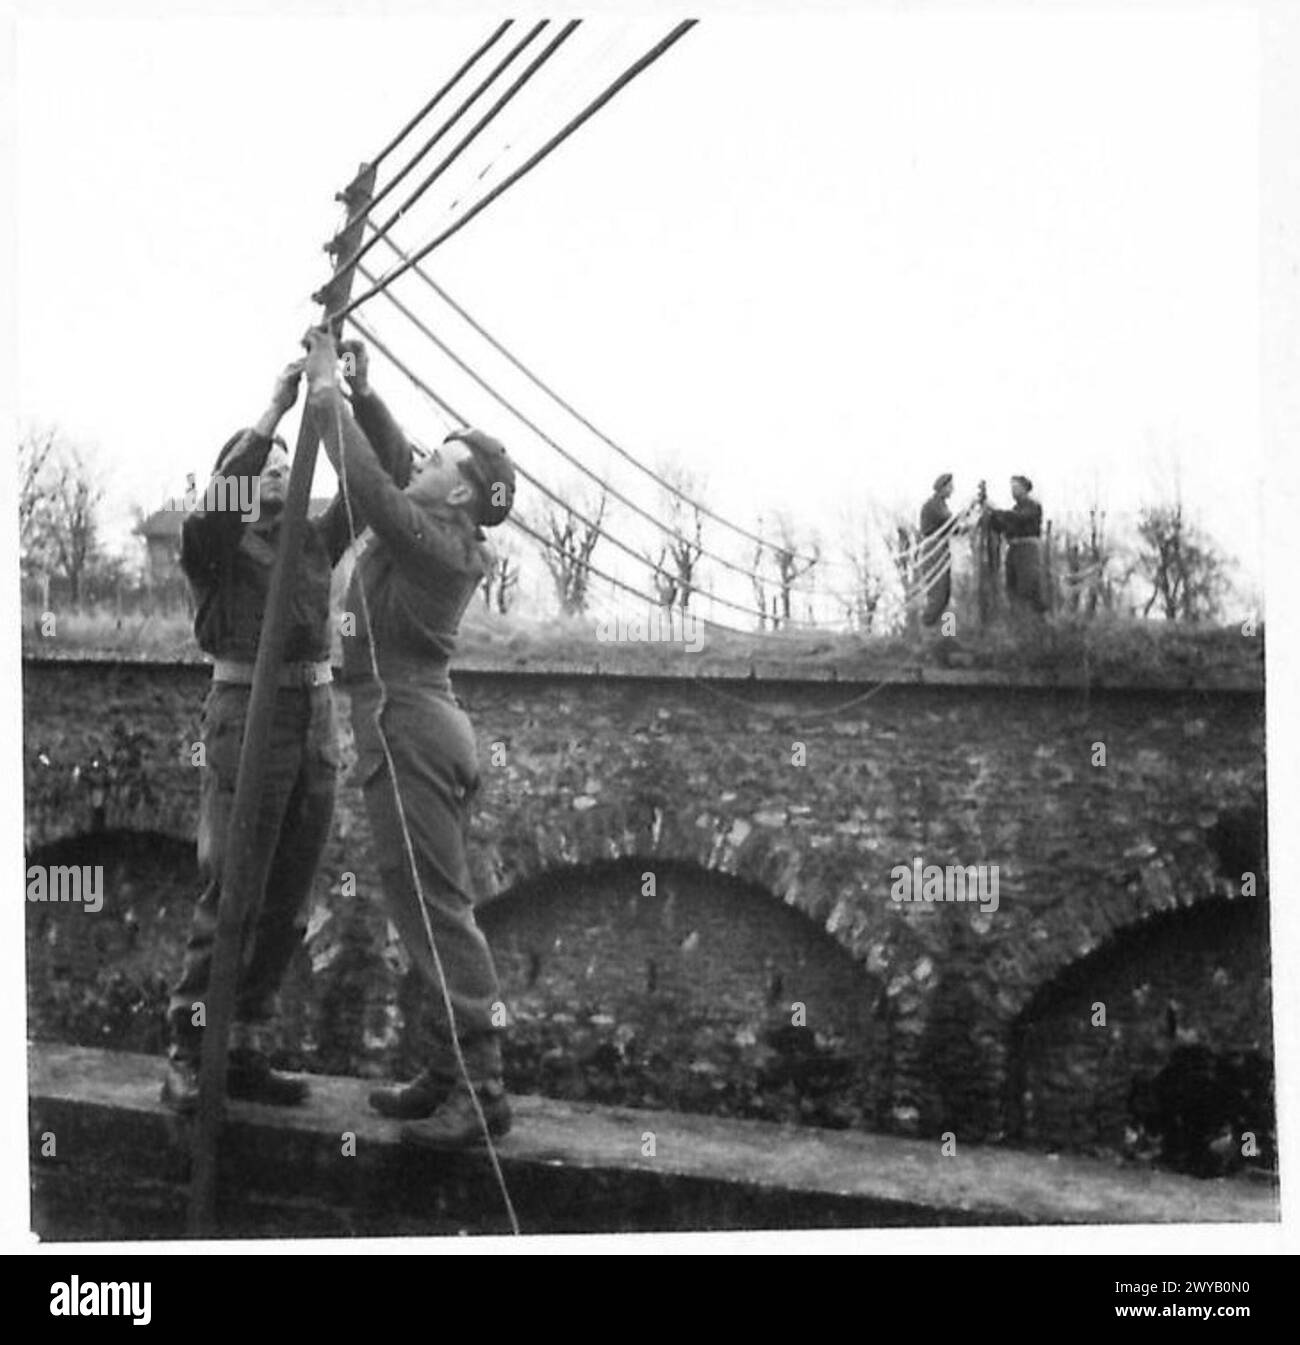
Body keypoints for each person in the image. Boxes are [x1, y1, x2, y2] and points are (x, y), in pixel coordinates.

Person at [304, 329, 516, 1147]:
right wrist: (364, 392)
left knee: (437, 912)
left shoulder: (429, 541)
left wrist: (326, 394)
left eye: (442, 460)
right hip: (421, 724)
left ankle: (483, 1087)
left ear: (461, 496)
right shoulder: (439, 528)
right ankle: (445, 1070)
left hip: (409, 731)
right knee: (427, 908)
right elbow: (396, 468)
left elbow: (368, 477)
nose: (424, 461)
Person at [161, 358, 376, 1112]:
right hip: (246, 714)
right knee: (234, 892)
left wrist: (351, 401)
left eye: (289, 464)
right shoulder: (213, 547)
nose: (283, 471)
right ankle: (189, 1050)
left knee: (288, 896)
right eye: (268, 467)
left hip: (317, 719)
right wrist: (274, 414)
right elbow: (217, 506)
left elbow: (377, 484)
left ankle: (244, 1043)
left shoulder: (311, 542)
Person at [986, 474, 1047, 616]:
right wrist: (991, 516)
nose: (1013, 491)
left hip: (1027, 550)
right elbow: (1003, 525)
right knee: (1012, 587)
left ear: (1025, 489)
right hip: (1014, 550)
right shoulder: (1015, 509)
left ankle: (1036, 620)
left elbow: (1019, 518)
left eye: (1016, 487)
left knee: (1028, 584)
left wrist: (995, 511)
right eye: (1012, 488)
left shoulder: (1033, 506)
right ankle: (1019, 622)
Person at [918, 473, 956, 627]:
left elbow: (953, 526)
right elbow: (951, 522)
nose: (953, 490)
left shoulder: (941, 504)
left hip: (942, 549)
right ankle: (927, 630)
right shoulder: (934, 505)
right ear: (943, 487)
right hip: (934, 549)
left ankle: (947, 633)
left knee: (946, 595)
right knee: (937, 594)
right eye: (950, 486)